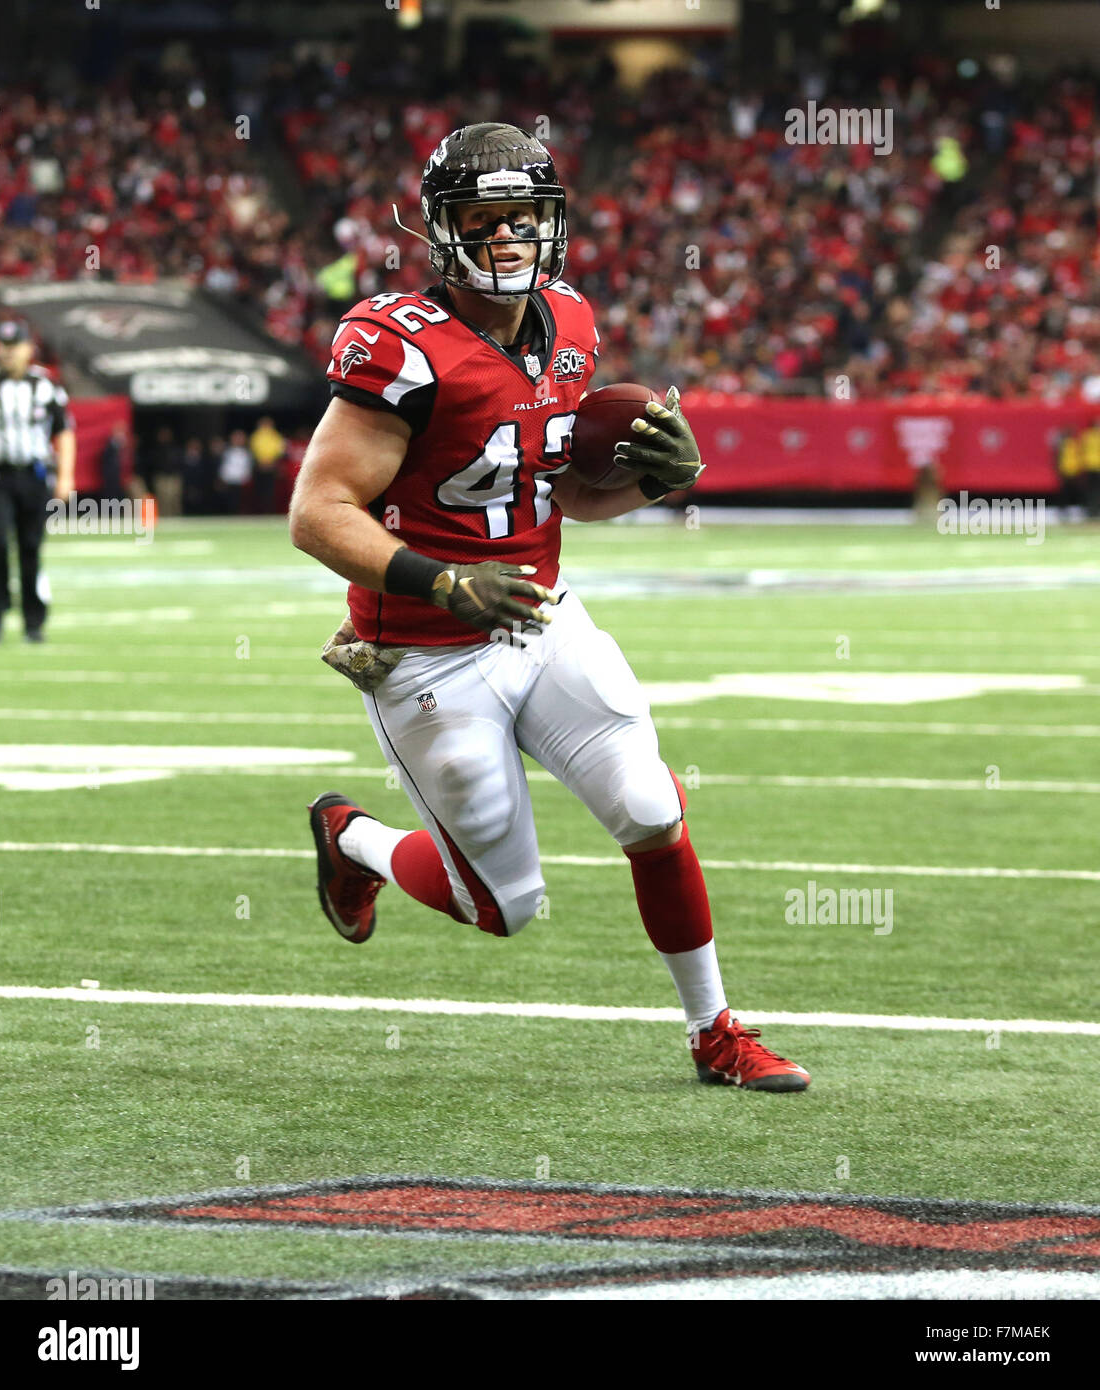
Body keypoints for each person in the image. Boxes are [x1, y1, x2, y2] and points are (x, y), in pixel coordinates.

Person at [289, 124, 810, 1091]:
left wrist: (653, 486)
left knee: (653, 808)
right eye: (483, 221)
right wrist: (444, 582)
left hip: (539, 614)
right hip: (428, 651)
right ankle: (350, 836)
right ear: (442, 233)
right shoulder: (398, 346)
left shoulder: (569, 322)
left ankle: (716, 1033)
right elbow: (318, 514)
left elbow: (556, 493)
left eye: (522, 218)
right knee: (504, 907)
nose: (508, 240)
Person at [0, 321, 75, 643]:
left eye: (15, 346)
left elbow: (64, 431)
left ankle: (33, 622)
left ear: (28, 349)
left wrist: (66, 475)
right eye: (3, 345)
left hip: (34, 475)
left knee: (30, 547)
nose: (8, 352)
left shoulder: (45, 385)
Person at [249, 415, 286, 514]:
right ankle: (258, 512)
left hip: (271, 467)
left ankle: (268, 512)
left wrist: (271, 462)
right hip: (259, 466)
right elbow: (253, 450)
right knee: (258, 491)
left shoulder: (276, 436)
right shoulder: (256, 436)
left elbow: (280, 450)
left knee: (270, 491)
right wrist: (260, 461)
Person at [217, 429, 252, 515]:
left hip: (241, 482)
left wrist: (246, 478)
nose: (238, 440)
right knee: (228, 502)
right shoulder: (227, 452)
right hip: (228, 482)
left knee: (240, 502)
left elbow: (248, 468)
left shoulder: (246, 453)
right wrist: (222, 478)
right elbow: (223, 467)